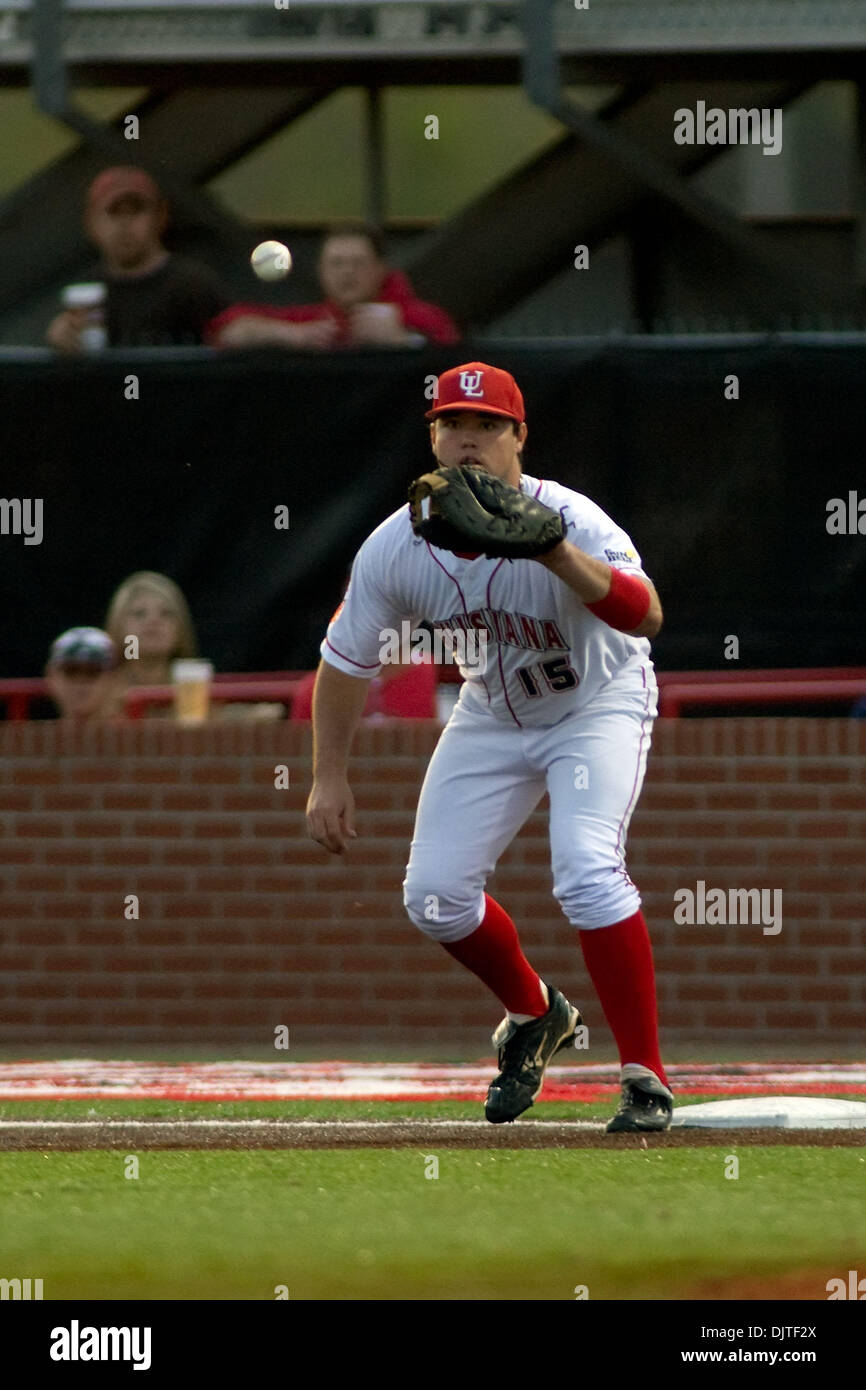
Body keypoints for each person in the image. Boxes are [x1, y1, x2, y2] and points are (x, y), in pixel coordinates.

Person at [305, 361, 673, 1134]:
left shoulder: (571, 517)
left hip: (596, 703)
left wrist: (554, 555)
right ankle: (536, 1015)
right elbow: (344, 662)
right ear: (434, 438)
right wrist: (326, 777)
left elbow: (647, 617)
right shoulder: (396, 544)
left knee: (585, 871)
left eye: (487, 427)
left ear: (519, 438)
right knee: (433, 897)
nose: (468, 441)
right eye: (452, 426)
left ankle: (646, 1078)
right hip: (494, 711)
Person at [46, 167, 231, 351]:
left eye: (136, 210)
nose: (124, 223)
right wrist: (61, 342)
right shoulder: (83, 292)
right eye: (113, 211)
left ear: (160, 216)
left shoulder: (193, 284)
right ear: (90, 223)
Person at [207, 221, 459, 350]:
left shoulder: (419, 317)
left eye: (357, 263)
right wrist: (292, 335)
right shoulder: (314, 322)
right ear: (321, 271)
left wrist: (403, 341)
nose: (347, 272)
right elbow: (227, 331)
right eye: (336, 263)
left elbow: (455, 361)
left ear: (381, 268)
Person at [104, 571, 199, 696]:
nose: (153, 621)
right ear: (117, 625)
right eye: (139, 613)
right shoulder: (99, 692)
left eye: (166, 613)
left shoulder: (199, 692)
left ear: (181, 628)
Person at [44, 627, 122, 723]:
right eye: (71, 671)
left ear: (114, 678)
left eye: (93, 672)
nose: (81, 681)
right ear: (52, 676)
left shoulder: (138, 735)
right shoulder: (28, 736)